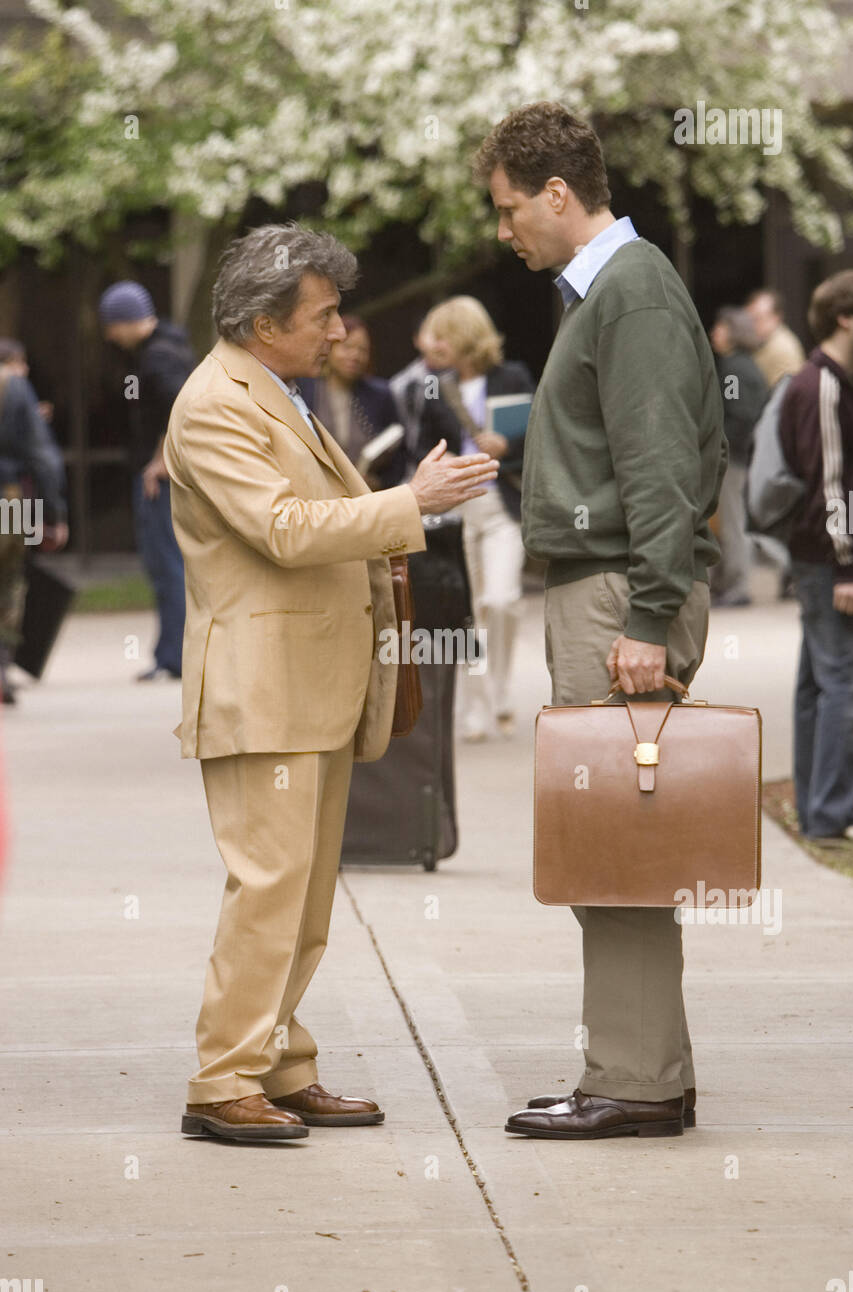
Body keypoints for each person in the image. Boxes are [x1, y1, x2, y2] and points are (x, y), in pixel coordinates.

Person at [163, 222, 497, 1142]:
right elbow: (284, 528)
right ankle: (222, 1079)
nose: (340, 330)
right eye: (324, 315)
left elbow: (315, 517)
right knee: (270, 887)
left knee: (302, 894)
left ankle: (276, 1063)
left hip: (307, 681)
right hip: (263, 686)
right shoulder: (215, 402)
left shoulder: (273, 388)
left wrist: (399, 500)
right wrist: (409, 504)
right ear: (265, 323)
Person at [473, 101, 726, 1140]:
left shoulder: (627, 295)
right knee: (613, 840)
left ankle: (632, 1081)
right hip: (616, 591)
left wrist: (649, 617)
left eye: (506, 209)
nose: (503, 230)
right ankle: (638, 1067)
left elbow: (662, 467)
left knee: (616, 845)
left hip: (621, 597)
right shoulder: (616, 292)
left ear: (556, 194)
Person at [416, 296, 535, 739]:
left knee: (501, 601)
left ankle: (501, 690)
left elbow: (538, 433)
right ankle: (474, 705)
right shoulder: (434, 385)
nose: (434, 343)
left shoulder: (513, 376)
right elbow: (424, 448)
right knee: (464, 612)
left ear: (465, 336)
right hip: (456, 509)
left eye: (443, 334)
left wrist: (508, 447)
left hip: (502, 503)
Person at [778, 270, 853, 843]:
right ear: (847, 318)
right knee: (845, 683)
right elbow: (829, 485)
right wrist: (848, 568)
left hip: (818, 559)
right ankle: (832, 814)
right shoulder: (825, 386)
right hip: (829, 561)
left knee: (818, 684)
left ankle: (819, 810)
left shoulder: (833, 382)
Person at [98, 281, 195, 681]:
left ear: (124, 321)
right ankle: (171, 652)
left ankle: (174, 656)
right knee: (168, 563)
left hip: (160, 476)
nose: (108, 335)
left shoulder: (158, 356)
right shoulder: (166, 349)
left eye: (110, 324)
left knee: (165, 563)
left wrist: (160, 461)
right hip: (163, 469)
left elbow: (179, 408)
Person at [0, 340, 68, 704]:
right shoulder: (16, 389)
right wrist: (53, 514)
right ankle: (2, 668)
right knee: (11, 581)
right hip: (10, 496)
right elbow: (43, 457)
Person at [297, 315, 407, 489]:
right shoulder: (304, 387)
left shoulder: (380, 395)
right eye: (347, 347)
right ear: (329, 347)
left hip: (368, 494)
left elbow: (400, 454)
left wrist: (379, 483)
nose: (355, 355)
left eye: (363, 350)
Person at [709, 306, 768, 606]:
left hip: (736, 457)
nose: (714, 333)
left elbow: (740, 414)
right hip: (745, 455)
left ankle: (737, 586)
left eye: (720, 328)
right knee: (735, 521)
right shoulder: (745, 365)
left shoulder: (734, 368)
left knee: (734, 523)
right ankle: (731, 582)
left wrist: (721, 447)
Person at [389, 316, 446, 466]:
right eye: (431, 334)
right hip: (417, 463)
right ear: (417, 340)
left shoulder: (462, 373)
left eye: (442, 335)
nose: (437, 342)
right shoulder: (402, 384)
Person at [745, 289, 806, 389]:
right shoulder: (764, 341)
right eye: (749, 319)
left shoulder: (782, 348)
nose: (751, 325)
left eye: (757, 318)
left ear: (776, 317)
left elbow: (783, 396)